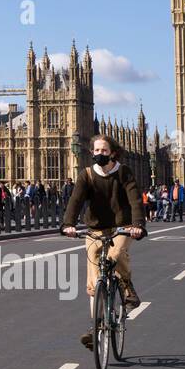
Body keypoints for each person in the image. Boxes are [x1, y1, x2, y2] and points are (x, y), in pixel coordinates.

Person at [61, 135, 146, 350]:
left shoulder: (123, 172)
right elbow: (76, 201)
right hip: (95, 228)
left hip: (122, 226)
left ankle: (127, 286)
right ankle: (96, 327)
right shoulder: (87, 175)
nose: (99, 154)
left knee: (115, 256)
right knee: (94, 283)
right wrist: (67, 224)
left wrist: (137, 225)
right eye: (96, 150)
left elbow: (135, 199)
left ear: (113, 153)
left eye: (104, 150)